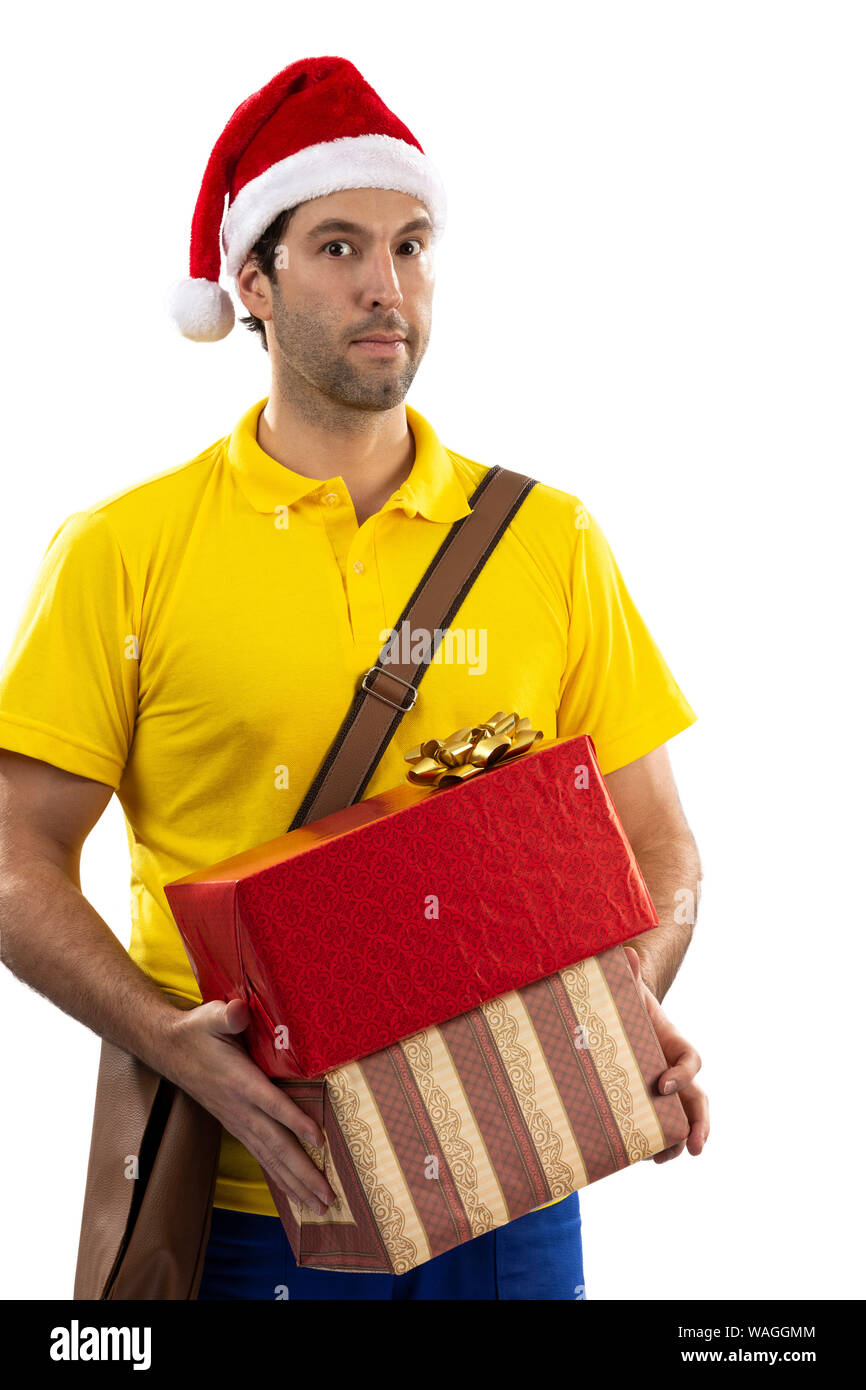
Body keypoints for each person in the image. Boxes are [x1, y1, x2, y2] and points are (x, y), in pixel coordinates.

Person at [0, 55, 708, 1301]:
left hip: (514, 1198)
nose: (387, 287)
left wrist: (598, 1038)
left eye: (412, 243)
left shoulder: (550, 540)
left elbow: (658, 853)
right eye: (336, 247)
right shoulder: (124, 552)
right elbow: (13, 857)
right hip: (258, 1196)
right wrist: (168, 1042)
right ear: (251, 285)